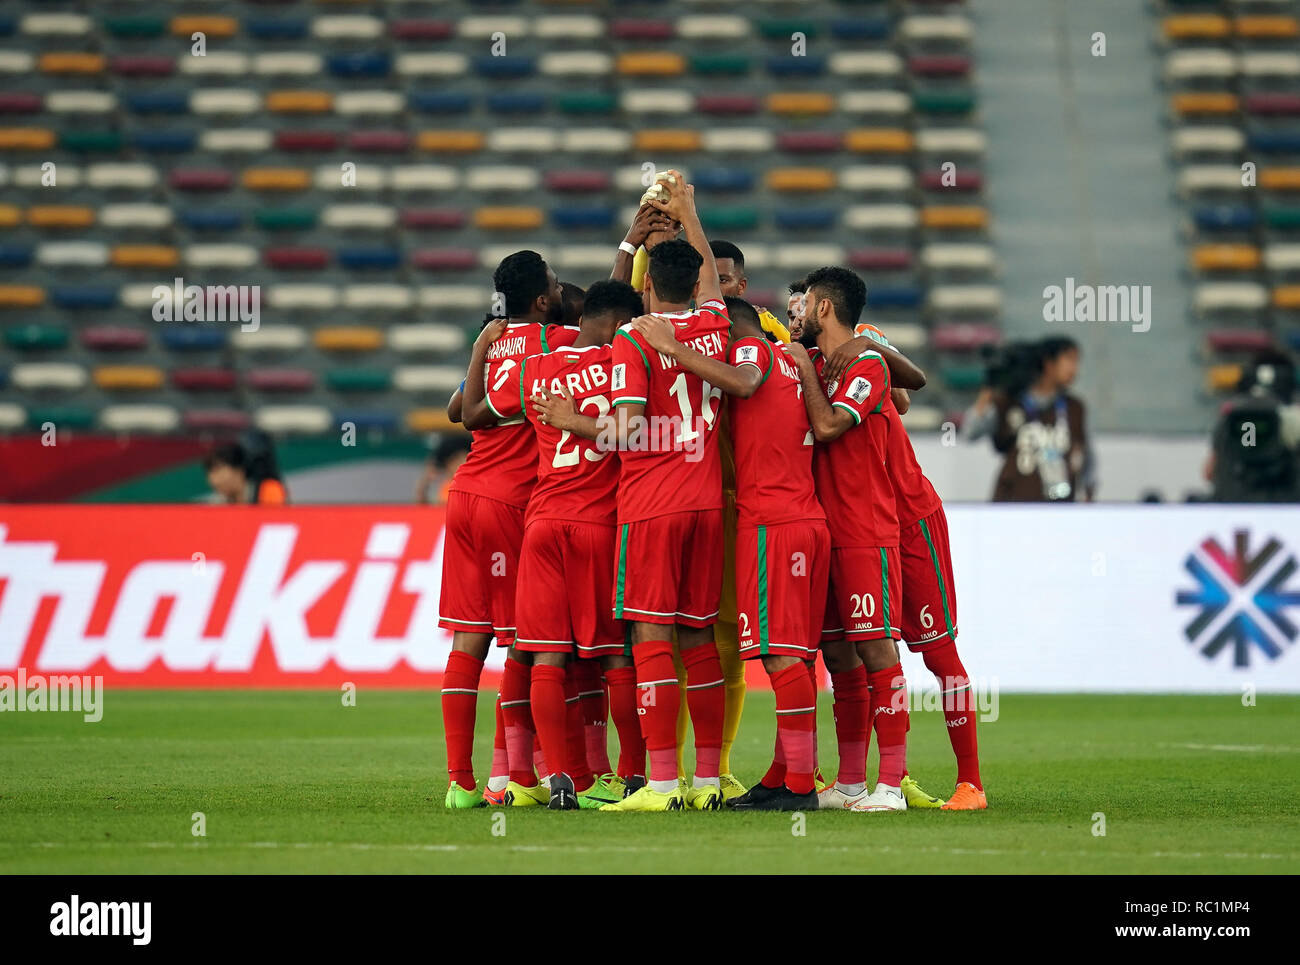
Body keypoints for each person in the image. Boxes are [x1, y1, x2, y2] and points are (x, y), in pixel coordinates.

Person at [534, 173, 730, 812]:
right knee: (698, 638)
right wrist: (689, 212)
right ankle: (705, 783)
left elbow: (627, 429)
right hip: (706, 502)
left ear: (648, 287)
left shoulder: (634, 337)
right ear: (699, 284)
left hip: (652, 505)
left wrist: (571, 421)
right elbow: (703, 275)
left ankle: (662, 784)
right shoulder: (716, 325)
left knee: (650, 639)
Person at [631, 297, 829, 811]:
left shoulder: (751, 353)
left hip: (773, 523)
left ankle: (801, 787)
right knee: (795, 657)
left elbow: (740, 381)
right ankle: (784, 774)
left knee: (780, 657)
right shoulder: (793, 360)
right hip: (806, 517)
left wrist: (672, 348)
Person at [479, 280, 648, 809]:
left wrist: (482, 349)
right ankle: (632, 777)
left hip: (543, 522)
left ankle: (560, 782)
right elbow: (635, 434)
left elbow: (472, 412)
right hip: (600, 524)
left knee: (545, 657)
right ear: (620, 325)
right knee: (616, 659)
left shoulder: (535, 367)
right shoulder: (625, 365)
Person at [438, 250, 575, 810]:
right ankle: (510, 776)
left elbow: (457, 410)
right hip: (509, 504)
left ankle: (459, 782)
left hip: (464, 495)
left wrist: (477, 350)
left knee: (469, 640)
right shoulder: (552, 344)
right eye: (553, 282)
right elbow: (606, 329)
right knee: (526, 641)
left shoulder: (493, 342)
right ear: (543, 301)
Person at [786, 266, 913, 813]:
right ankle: (852, 782)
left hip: (866, 530)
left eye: (805, 303)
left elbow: (831, 425)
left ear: (824, 309)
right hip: (824, 532)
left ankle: (893, 782)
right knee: (838, 655)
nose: (798, 312)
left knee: (876, 649)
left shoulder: (867, 364)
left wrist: (811, 368)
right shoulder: (816, 362)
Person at [963, 336, 1095, 502]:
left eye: (1076, 361)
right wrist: (989, 389)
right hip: (1013, 503)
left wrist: (1089, 492)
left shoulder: (1074, 408)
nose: (1074, 369)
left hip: (1060, 506)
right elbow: (970, 431)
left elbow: (1087, 458)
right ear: (1049, 364)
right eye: (1069, 360)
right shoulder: (1009, 402)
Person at [1205, 350, 1300, 502]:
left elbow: (1209, 473)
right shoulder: (1294, 420)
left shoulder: (1228, 419)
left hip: (1230, 508)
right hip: (1285, 510)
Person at [204, 440, 287, 505]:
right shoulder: (217, 504)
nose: (213, 480)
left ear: (239, 471)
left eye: (218, 471)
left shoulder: (268, 491)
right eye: (210, 473)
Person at [414, 434, 470, 506]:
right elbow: (425, 510)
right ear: (447, 464)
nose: (460, 464)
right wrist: (423, 486)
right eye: (454, 460)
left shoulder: (477, 484)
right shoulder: (447, 489)